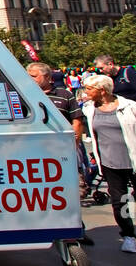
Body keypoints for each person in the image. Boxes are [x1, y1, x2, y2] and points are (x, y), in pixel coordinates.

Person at [79, 73, 136, 254]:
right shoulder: (89, 108)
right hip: (110, 162)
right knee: (120, 201)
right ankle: (128, 235)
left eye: (89, 89)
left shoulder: (130, 106)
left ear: (102, 90)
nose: (85, 93)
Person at [28, 62, 91, 212]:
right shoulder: (26, 96)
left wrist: (74, 142)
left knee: (72, 189)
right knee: (42, 192)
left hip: (63, 148)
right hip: (37, 151)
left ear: (47, 76)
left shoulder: (64, 95)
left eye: (34, 76)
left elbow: (77, 119)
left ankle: (76, 229)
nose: (31, 79)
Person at [95, 55, 136, 125]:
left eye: (101, 68)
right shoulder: (109, 79)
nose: (100, 71)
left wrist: (121, 100)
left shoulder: (130, 74)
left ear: (110, 64)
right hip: (124, 118)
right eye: (98, 69)